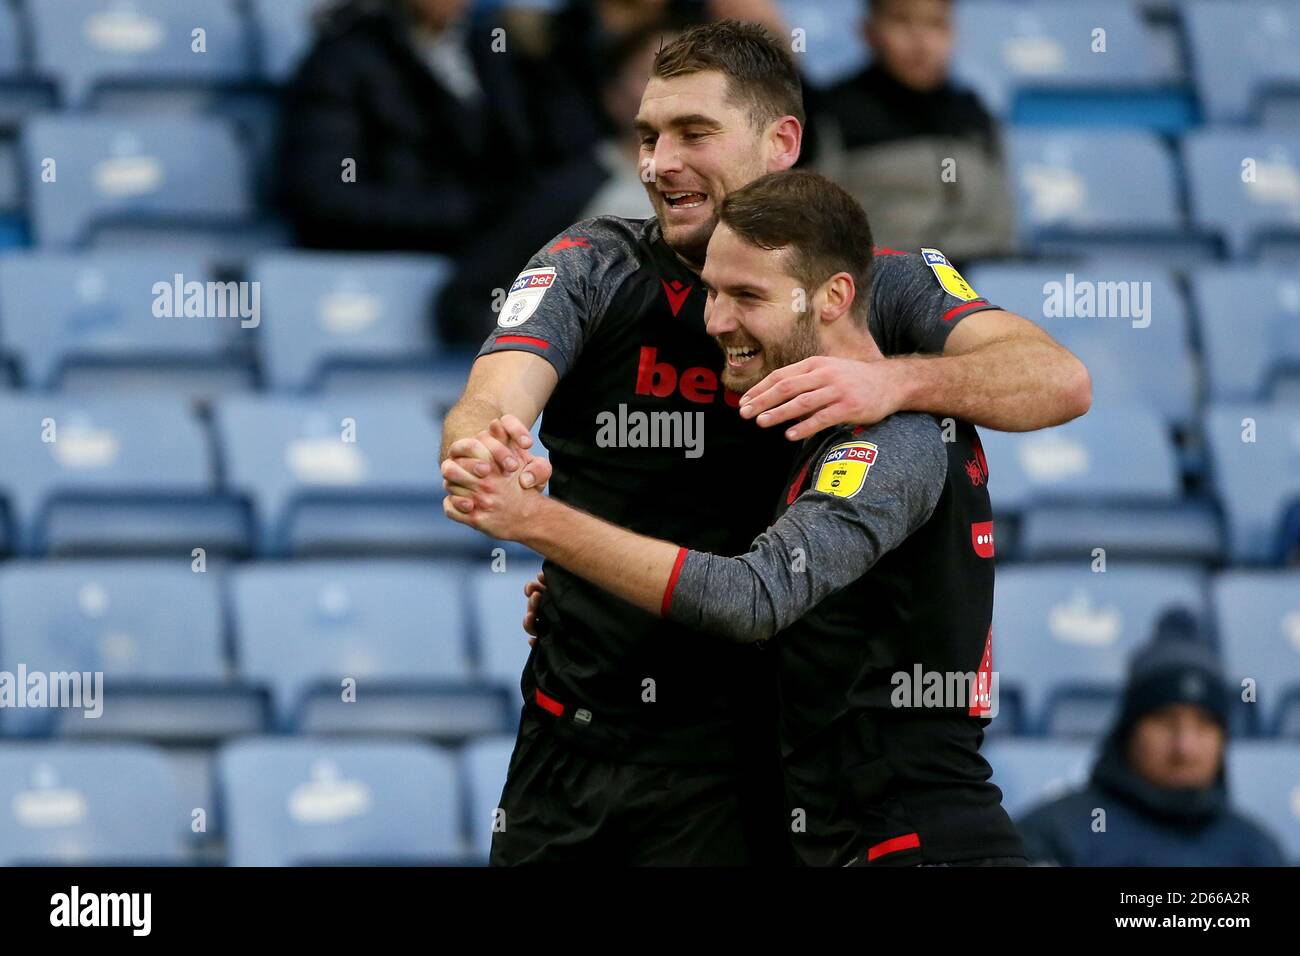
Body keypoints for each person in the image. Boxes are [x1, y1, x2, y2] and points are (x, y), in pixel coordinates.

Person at [440, 19, 1089, 866]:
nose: (657, 162)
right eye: (646, 135)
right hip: (567, 745)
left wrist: (895, 380)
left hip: (741, 768)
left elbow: (1059, 379)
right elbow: (491, 400)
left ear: (781, 141)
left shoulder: (878, 283)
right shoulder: (589, 264)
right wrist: (488, 453)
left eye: (692, 134)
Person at [277, 0, 600, 341]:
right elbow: (323, 199)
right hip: (427, 263)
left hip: (500, 252)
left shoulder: (494, 49)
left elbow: (571, 158)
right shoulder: (343, 60)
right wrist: (470, 213)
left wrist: (550, 49)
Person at [1015, 611, 1286, 867]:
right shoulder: (1052, 837)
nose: (1185, 747)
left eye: (1204, 725)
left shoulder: (1257, 851)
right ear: (1128, 730)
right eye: (1165, 722)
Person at [809, 0, 1016, 263]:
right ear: (868, 31)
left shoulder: (974, 112)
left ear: (953, 33)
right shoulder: (831, 112)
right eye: (901, 21)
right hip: (877, 281)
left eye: (935, 24)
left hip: (979, 283)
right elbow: (815, 227)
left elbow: (1003, 227)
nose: (921, 41)